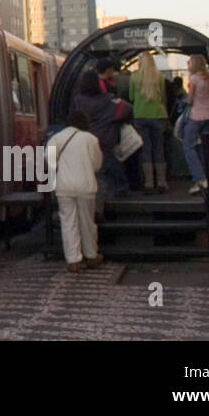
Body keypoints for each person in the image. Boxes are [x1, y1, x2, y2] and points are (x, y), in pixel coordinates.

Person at [49, 108, 104, 271]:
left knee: (68, 222)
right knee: (87, 222)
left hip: (64, 187)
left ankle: (73, 260)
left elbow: (48, 159)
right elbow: (97, 163)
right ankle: (91, 255)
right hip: (86, 186)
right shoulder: (91, 139)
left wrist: (60, 167)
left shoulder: (57, 138)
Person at [73, 69, 133, 205]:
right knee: (112, 165)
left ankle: (98, 200)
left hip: (85, 140)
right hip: (107, 139)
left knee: (93, 171)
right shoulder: (109, 99)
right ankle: (119, 190)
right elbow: (128, 108)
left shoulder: (78, 101)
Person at [130, 52, 169, 193]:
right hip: (158, 115)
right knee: (159, 148)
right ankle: (162, 182)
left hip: (140, 115)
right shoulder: (159, 77)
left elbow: (131, 97)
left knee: (146, 149)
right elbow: (163, 97)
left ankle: (148, 183)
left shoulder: (134, 77)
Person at [183, 54, 209, 193]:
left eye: (190, 63)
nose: (188, 65)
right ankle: (207, 178)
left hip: (196, 117)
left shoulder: (194, 79)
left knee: (188, 147)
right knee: (203, 148)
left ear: (194, 64)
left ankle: (200, 178)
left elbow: (190, 100)